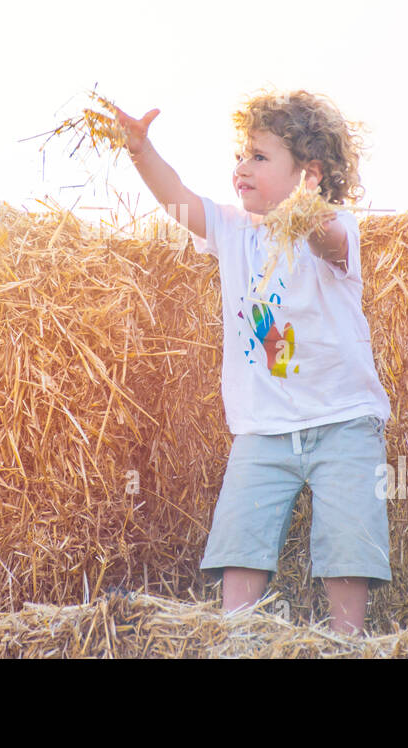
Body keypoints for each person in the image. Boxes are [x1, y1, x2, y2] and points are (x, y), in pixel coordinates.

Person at [113, 89, 392, 636]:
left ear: (308, 175)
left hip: (343, 421)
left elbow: (329, 242)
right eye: (241, 156)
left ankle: (347, 640)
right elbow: (178, 200)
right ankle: (234, 638)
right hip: (262, 428)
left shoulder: (335, 224)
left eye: (260, 158)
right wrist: (141, 152)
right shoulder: (233, 229)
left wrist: (304, 210)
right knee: (240, 540)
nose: (241, 169)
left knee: (349, 545)